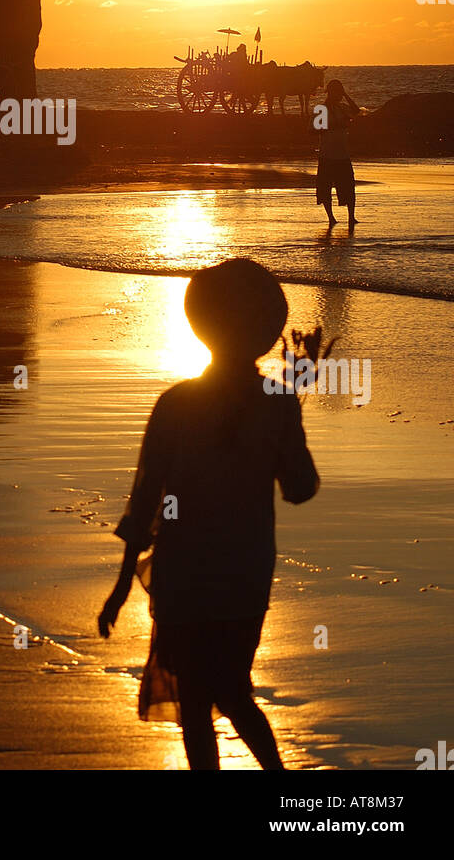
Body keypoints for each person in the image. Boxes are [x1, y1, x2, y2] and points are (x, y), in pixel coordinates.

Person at [97, 258, 319, 770]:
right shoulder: (276, 403)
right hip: (244, 574)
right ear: (266, 329)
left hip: (184, 577)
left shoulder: (176, 404)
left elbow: (145, 503)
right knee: (233, 691)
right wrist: (293, 403)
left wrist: (122, 585)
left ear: (200, 325)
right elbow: (301, 490)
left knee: (197, 703)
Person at [315, 79, 360, 230]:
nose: (340, 95)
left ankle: (351, 217)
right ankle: (331, 217)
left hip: (343, 155)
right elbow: (315, 129)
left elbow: (356, 111)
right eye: (338, 92)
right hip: (327, 155)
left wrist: (346, 94)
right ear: (331, 93)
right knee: (325, 189)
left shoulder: (343, 107)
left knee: (349, 187)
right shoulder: (322, 109)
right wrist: (335, 125)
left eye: (341, 92)